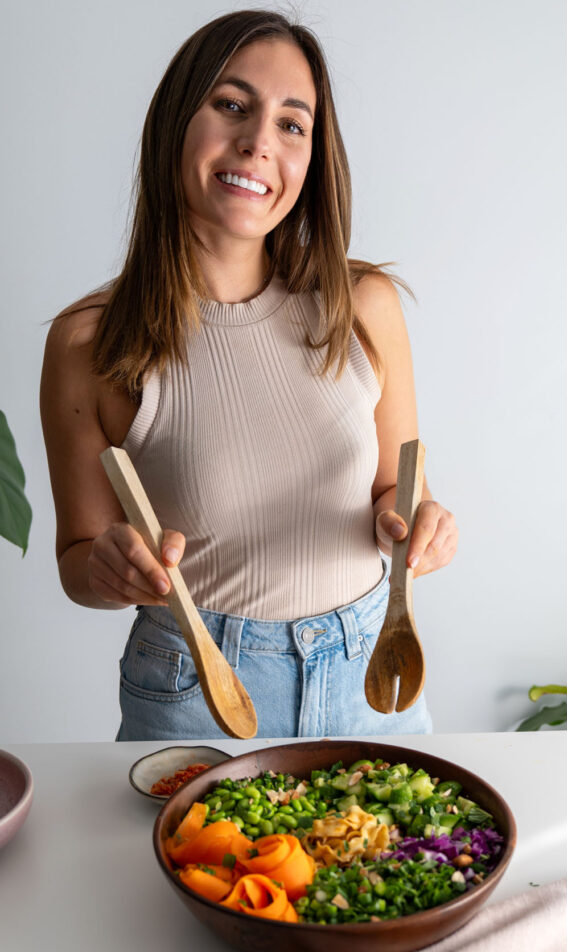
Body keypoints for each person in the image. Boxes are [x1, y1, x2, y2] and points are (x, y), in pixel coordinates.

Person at [40, 9, 458, 741]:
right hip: (197, 681)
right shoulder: (88, 341)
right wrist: (105, 569)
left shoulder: (362, 305)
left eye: (292, 125)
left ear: (312, 159)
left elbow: (395, 487)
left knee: (410, 857)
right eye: (232, 106)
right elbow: (78, 558)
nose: (259, 142)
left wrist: (420, 524)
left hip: (372, 669)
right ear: (176, 123)